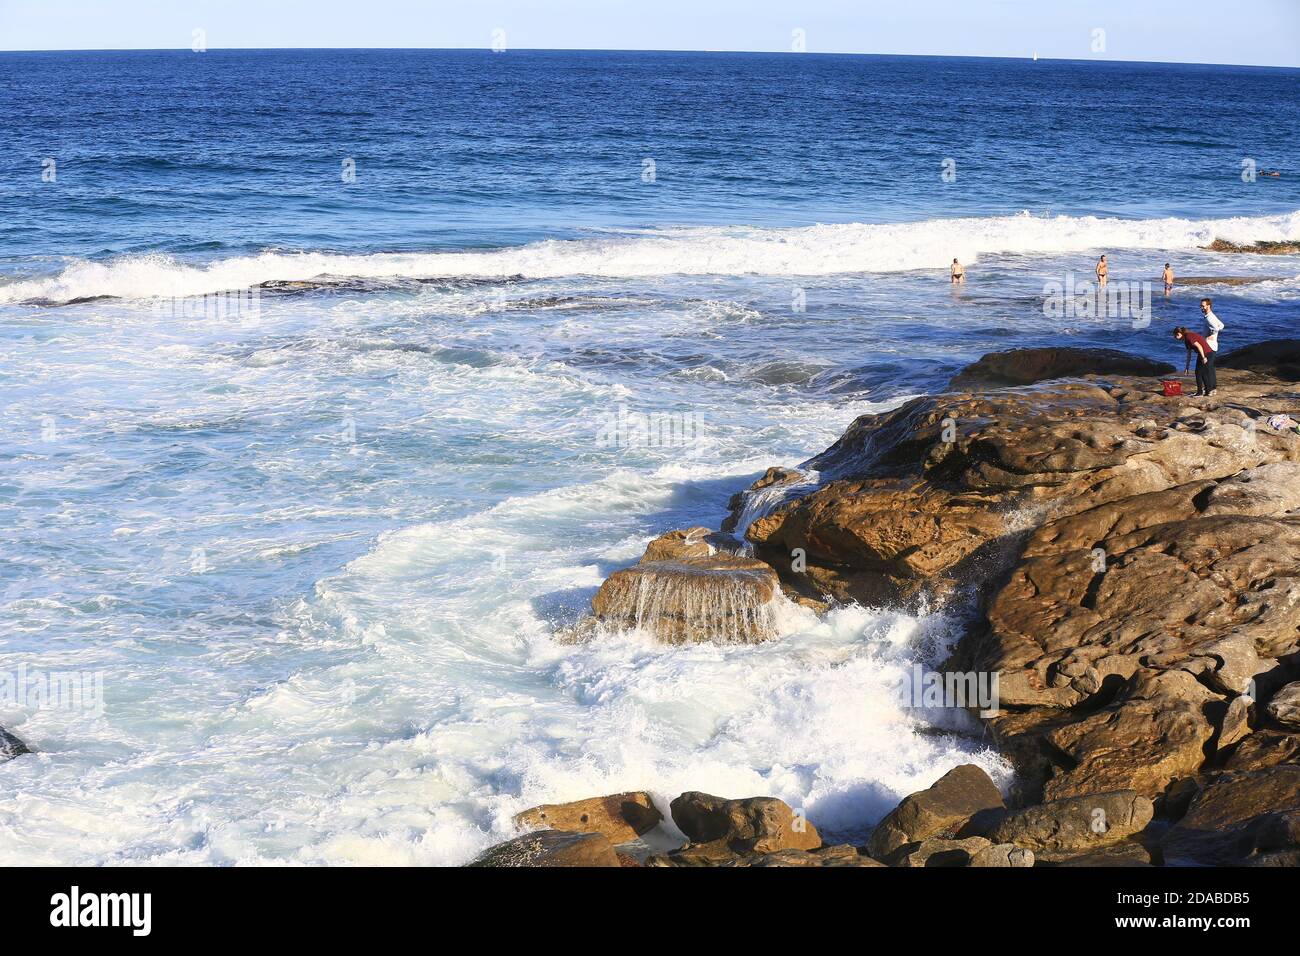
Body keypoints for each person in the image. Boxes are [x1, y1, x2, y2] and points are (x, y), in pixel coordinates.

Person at [1174, 326, 1216, 397]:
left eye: (1176, 336)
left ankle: (1200, 393)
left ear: (1179, 334)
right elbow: (1189, 355)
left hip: (1206, 354)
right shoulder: (1186, 340)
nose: (1175, 338)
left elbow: (1199, 346)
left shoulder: (1189, 336)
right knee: (1202, 372)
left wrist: (1203, 357)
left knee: (1199, 373)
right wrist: (1187, 368)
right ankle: (1207, 391)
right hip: (1204, 354)